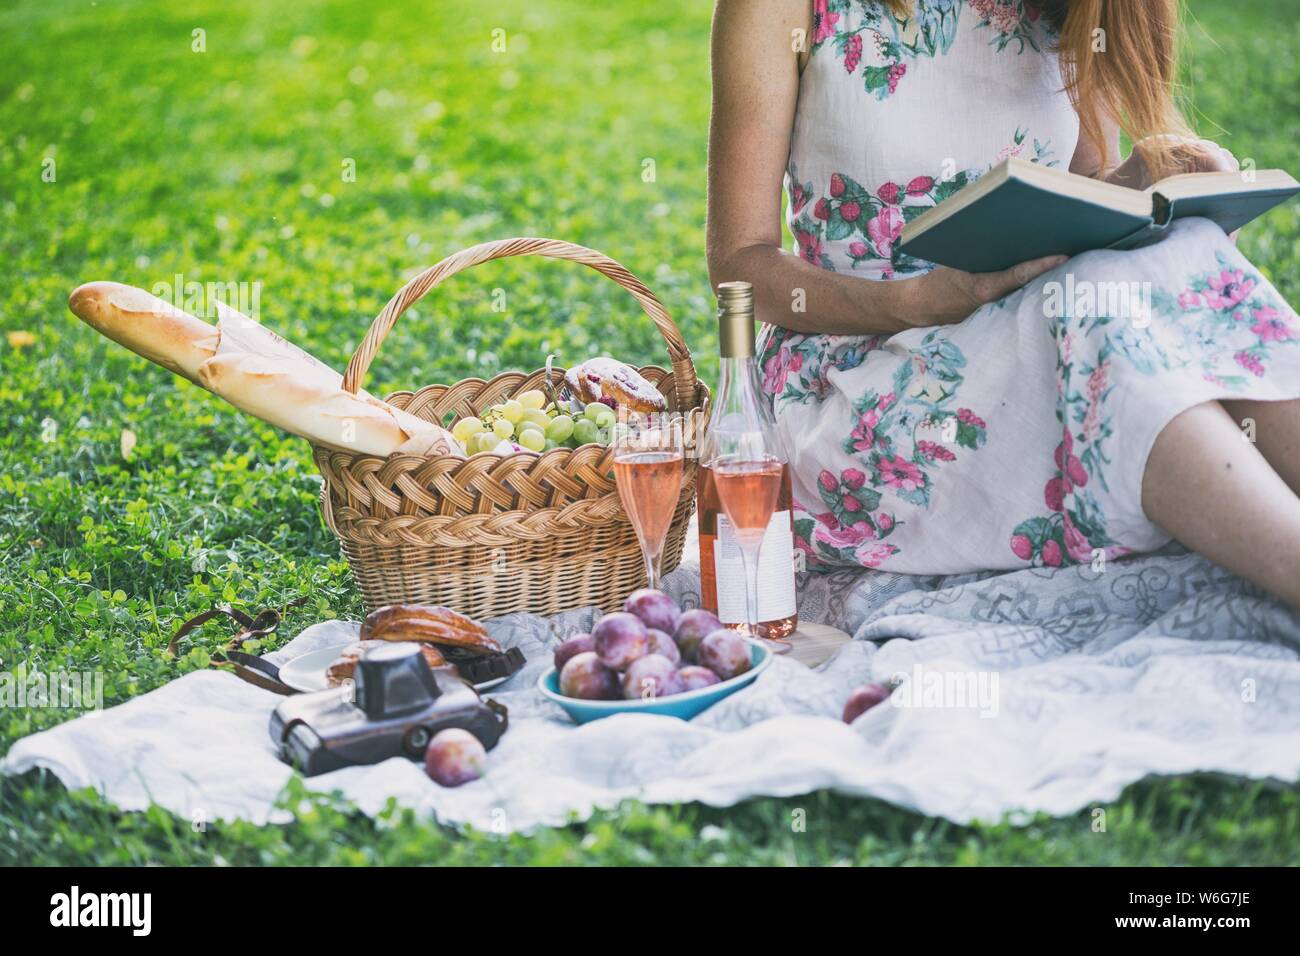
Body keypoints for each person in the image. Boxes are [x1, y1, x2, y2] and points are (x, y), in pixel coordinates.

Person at [706, 0, 1300, 606]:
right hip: (856, 375)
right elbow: (739, 265)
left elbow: (1081, 193)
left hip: (1044, 319)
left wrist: (1138, 181)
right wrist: (914, 303)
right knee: (1091, 307)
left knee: (1185, 247)